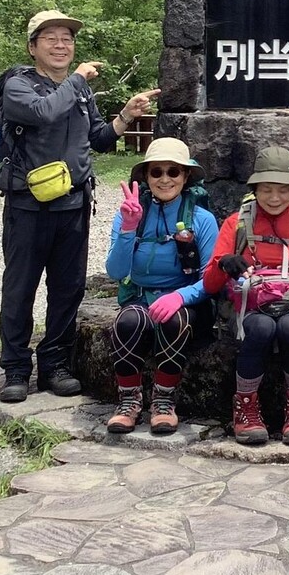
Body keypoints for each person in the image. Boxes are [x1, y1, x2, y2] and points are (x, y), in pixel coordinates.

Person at [0, 10, 159, 404]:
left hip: (73, 204)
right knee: (20, 288)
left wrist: (126, 115)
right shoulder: (19, 85)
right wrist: (78, 78)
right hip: (28, 206)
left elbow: (99, 139)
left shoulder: (81, 91)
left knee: (68, 289)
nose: (60, 44)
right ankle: (16, 368)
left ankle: (55, 363)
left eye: (67, 39)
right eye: (50, 38)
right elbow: (43, 112)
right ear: (32, 46)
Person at [202, 146, 289, 447]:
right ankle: (245, 407)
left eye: (283, 190)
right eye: (266, 190)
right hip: (250, 307)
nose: (275, 198)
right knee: (262, 328)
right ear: (254, 189)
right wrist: (224, 264)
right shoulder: (236, 223)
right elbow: (210, 285)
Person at [102, 137, 220, 435]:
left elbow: (210, 278)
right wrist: (129, 228)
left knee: (172, 320)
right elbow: (116, 270)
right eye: (156, 172)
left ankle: (163, 401)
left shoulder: (202, 219)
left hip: (187, 302)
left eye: (173, 171)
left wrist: (179, 296)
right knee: (128, 321)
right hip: (140, 297)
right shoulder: (130, 214)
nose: (165, 179)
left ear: (186, 176)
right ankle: (128, 400)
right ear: (145, 177)